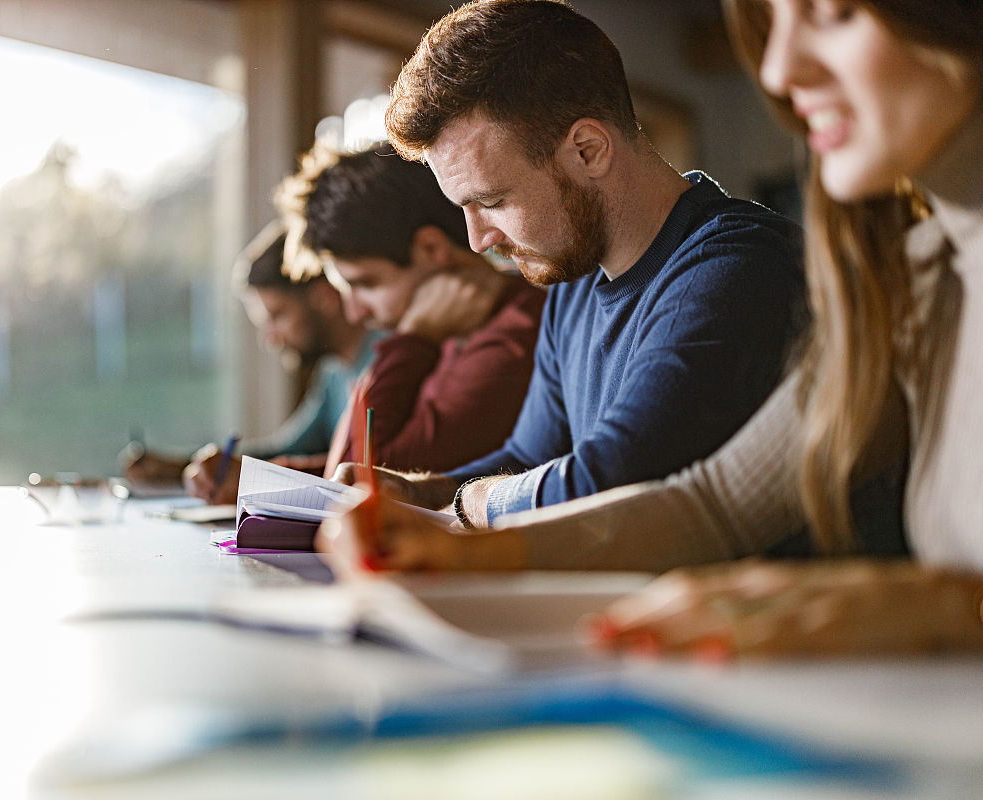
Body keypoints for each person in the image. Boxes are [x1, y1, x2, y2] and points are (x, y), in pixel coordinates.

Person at [320, 0, 983, 658]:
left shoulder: (741, 263)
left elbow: (615, 476)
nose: (777, 69)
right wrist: (442, 521)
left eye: (835, 13)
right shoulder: (909, 282)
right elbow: (713, 503)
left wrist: (944, 604)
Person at [331, 0, 805, 531]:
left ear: (587, 151)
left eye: (491, 202)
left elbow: (612, 480)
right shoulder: (572, 281)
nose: (478, 240)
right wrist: (419, 490)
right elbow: (528, 456)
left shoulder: (736, 266)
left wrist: (468, 504)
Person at [275, 142, 546, 477]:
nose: (355, 313)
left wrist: (412, 338)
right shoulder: (453, 330)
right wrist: (272, 475)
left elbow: (360, 479)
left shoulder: (514, 334)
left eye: (366, 284)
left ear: (431, 248)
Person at [122, 222, 381, 498]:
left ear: (324, 296)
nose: (271, 339)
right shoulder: (334, 371)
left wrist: (249, 480)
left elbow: (364, 472)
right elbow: (291, 449)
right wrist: (181, 468)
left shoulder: (385, 363)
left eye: (277, 316)